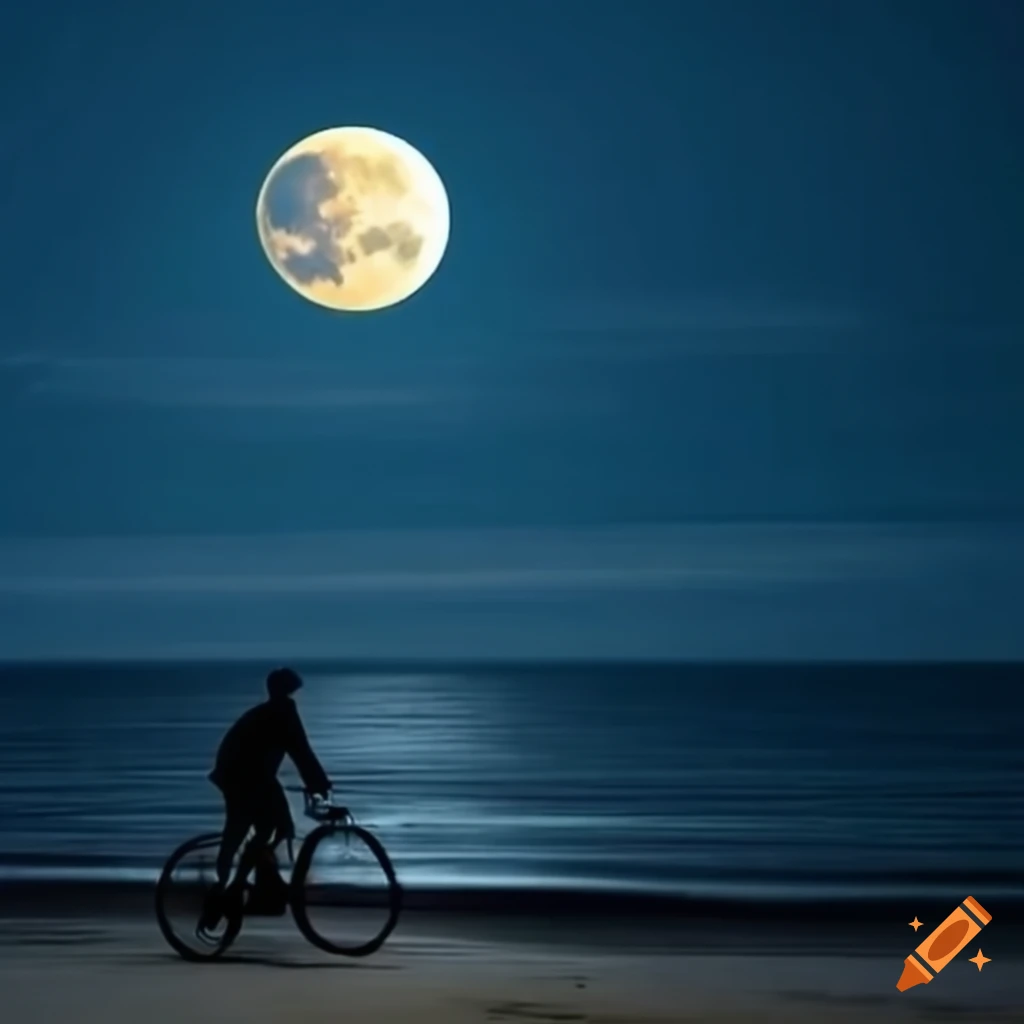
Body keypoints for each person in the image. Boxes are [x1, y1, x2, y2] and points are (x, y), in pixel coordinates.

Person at [197, 667, 331, 940]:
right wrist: (319, 784)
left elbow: (298, 751)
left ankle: (254, 880)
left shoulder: (269, 710)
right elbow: (301, 750)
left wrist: (316, 782)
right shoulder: (282, 712)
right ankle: (229, 890)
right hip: (244, 776)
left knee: (276, 828)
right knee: (245, 828)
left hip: (251, 774)